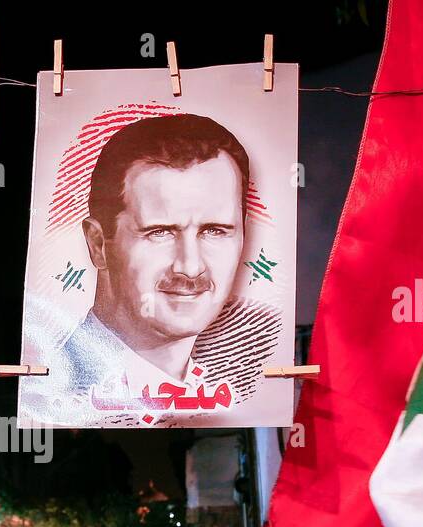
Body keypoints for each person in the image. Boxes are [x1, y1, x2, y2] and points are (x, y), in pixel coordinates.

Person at [22, 113, 282, 426]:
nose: (190, 267)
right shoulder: (60, 396)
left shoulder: (236, 372)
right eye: (160, 232)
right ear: (98, 244)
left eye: (214, 230)